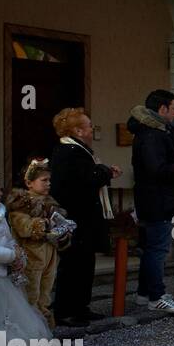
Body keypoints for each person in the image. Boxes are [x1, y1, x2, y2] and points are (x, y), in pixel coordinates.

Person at [49, 107, 120, 327]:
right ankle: (65, 310)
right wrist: (106, 172)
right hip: (77, 217)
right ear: (78, 131)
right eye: (89, 125)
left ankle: (80, 307)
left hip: (83, 217)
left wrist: (103, 171)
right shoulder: (71, 152)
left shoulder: (77, 150)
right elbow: (86, 180)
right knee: (73, 265)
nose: (92, 129)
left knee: (84, 263)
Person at [128, 90, 174, 312]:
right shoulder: (153, 135)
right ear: (162, 109)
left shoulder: (148, 132)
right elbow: (157, 169)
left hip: (151, 198)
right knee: (158, 249)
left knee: (151, 248)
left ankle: (144, 293)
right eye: (173, 108)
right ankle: (156, 296)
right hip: (158, 199)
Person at [0, 169, 51, 346]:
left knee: (6, 314)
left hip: (2, 276)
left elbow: (8, 239)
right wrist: (10, 255)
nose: (0, 193)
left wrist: (18, 256)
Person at [6, 158, 74, 329]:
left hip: (49, 256)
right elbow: (24, 227)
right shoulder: (21, 204)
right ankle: (30, 331)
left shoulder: (51, 204)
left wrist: (62, 232)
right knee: (31, 295)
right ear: (29, 182)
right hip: (31, 258)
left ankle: (44, 330)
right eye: (44, 180)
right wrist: (44, 224)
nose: (48, 184)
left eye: (49, 180)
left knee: (45, 295)